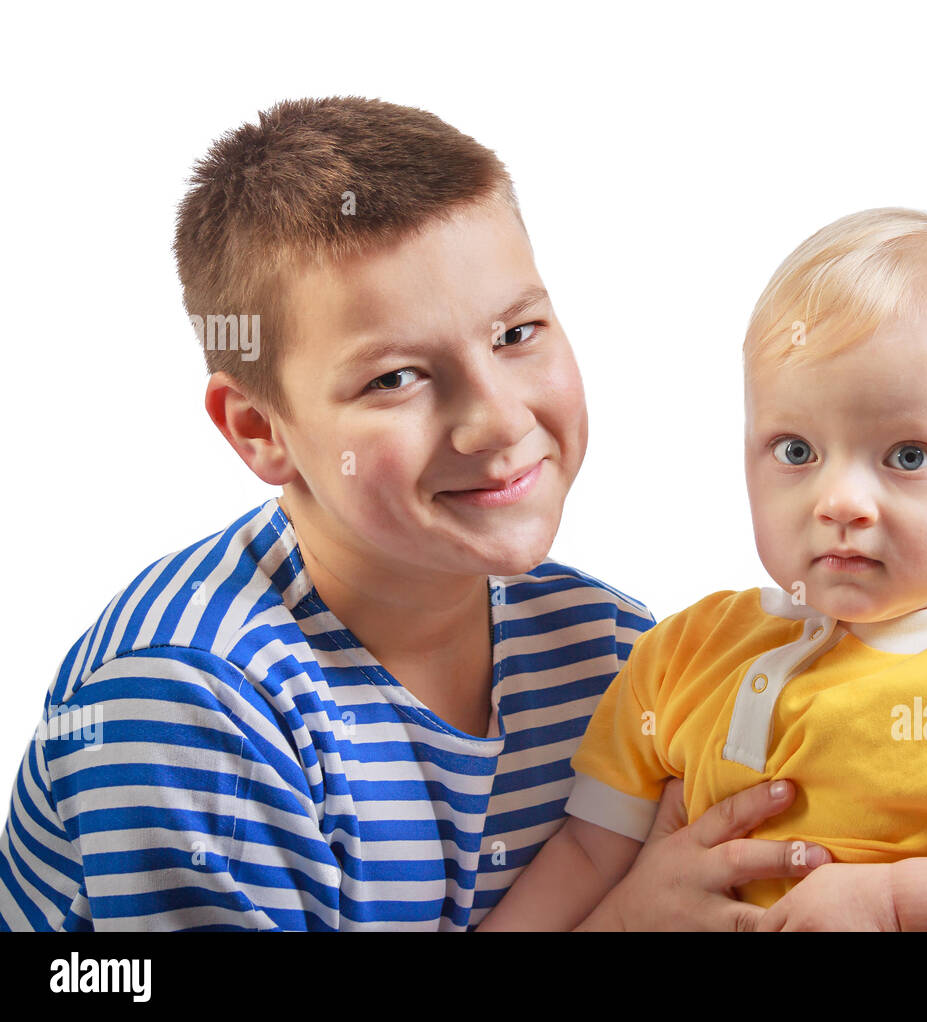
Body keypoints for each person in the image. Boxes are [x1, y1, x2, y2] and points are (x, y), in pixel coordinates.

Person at [0, 97, 828, 930]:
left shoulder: (608, 649)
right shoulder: (188, 708)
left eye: (516, 333)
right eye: (394, 377)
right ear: (260, 430)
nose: (500, 420)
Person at [479, 208, 927, 931]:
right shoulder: (681, 656)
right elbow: (589, 855)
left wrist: (893, 901)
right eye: (795, 451)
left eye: (907, 456)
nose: (841, 501)